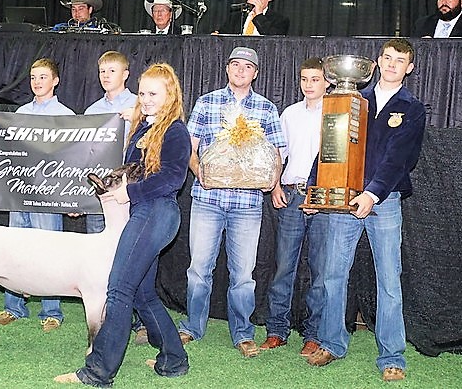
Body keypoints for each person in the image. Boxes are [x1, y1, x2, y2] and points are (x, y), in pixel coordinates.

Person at [54, 62, 191, 386]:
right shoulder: (144, 128)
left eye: (153, 93)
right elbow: (136, 170)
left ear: (170, 94)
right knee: (142, 295)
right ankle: (173, 360)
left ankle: (98, 372)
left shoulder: (175, 131)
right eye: (142, 93)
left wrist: (128, 193)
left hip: (157, 213)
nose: (145, 99)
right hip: (144, 213)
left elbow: (173, 178)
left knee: (118, 289)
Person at [307, 38, 425, 384]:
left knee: (389, 280)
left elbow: (400, 158)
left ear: (409, 68)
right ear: (376, 62)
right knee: (332, 273)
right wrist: (318, 192)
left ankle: (392, 356)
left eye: (399, 60)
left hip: (383, 202)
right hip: (344, 198)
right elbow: (331, 146)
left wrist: (372, 194)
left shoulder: (412, 108)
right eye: (387, 58)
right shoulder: (356, 99)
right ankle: (331, 342)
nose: (391, 64)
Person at [178, 46, 286, 358]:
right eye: (235, 65)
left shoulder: (266, 109)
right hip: (208, 199)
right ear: (227, 69)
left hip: (247, 203)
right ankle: (192, 326)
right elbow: (190, 148)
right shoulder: (206, 101)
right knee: (198, 268)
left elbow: (277, 154)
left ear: (255, 73)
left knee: (243, 275)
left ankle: (242, 332)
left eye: (247, 67)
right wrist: (201, 174)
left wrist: (273, 179)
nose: (240, 71)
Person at [0, 57, 75, 332]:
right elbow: (5, 148)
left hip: (48, 196)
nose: (37, 82)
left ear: (55, 80)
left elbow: (73, 159)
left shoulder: (67, 116)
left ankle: (52, 312)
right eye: (34, 77)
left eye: (43, 77)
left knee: (49, 252)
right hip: (20, 192)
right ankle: (14, 307)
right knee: (17, 251)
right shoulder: (20, 113)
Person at [259, 58, 329, 357]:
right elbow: (278, 154)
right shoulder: (288, 114)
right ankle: (276, 330)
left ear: (328, 82)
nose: (309, 85)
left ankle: (314, 334)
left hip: (325, 199)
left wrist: (323, 195)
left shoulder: (337, 113)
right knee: (284, 266)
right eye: (304, 79)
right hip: (291, 194)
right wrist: (274, 186)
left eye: (315, 79)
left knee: (321, 270)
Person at [83, 51, 137, 232]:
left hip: (128, 188)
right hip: (100, 189)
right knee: (95, 248)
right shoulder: (92, 111)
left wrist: (140, 118)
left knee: (127, 246)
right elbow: (83, 152)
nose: (106, 76)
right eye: (102, 71)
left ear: (125, 74)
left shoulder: (139, 105)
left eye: (112, 71)